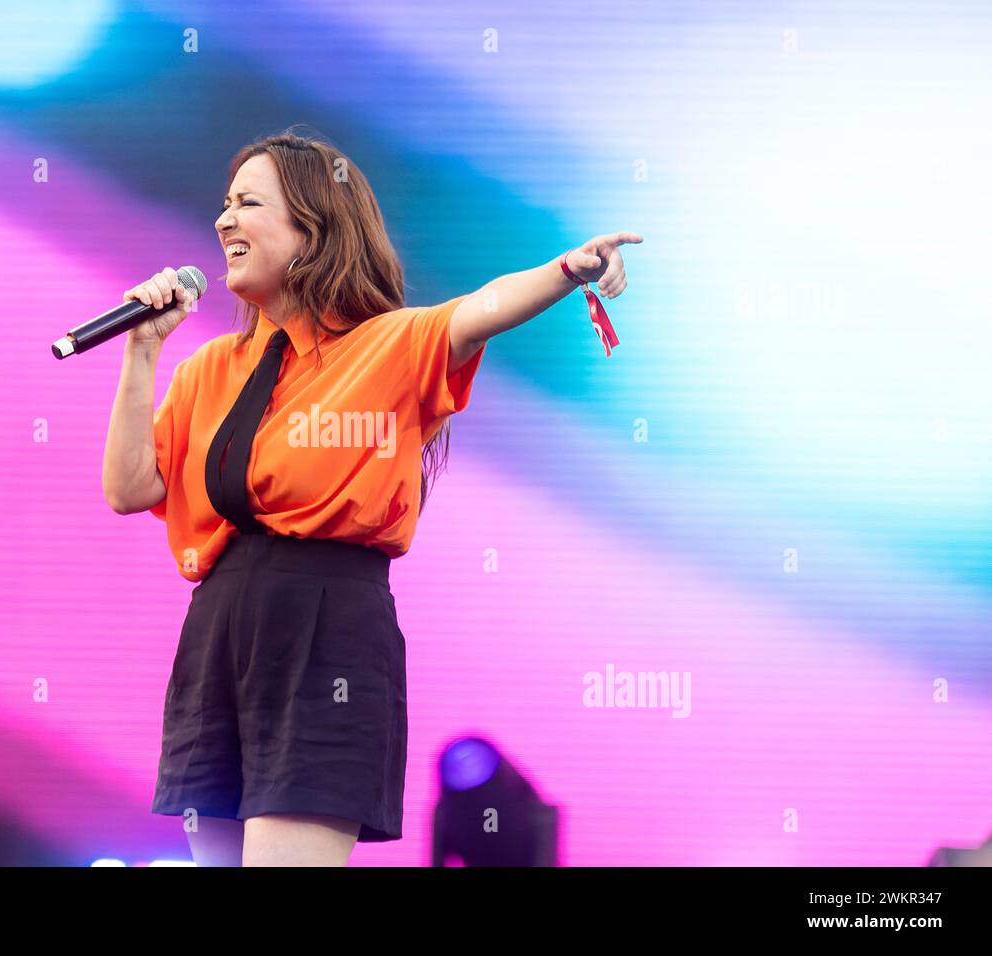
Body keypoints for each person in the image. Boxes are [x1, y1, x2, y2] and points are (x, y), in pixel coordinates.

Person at [102, 130, 641, 866]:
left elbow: (480, 308)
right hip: (220, 633)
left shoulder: (384, 347)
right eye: (224, 205)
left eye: (249, 204)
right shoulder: (209, 370)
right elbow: (130, 488)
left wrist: (566, 270)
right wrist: (143, 349)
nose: (224, 220)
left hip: (325, 631)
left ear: (312, 229)